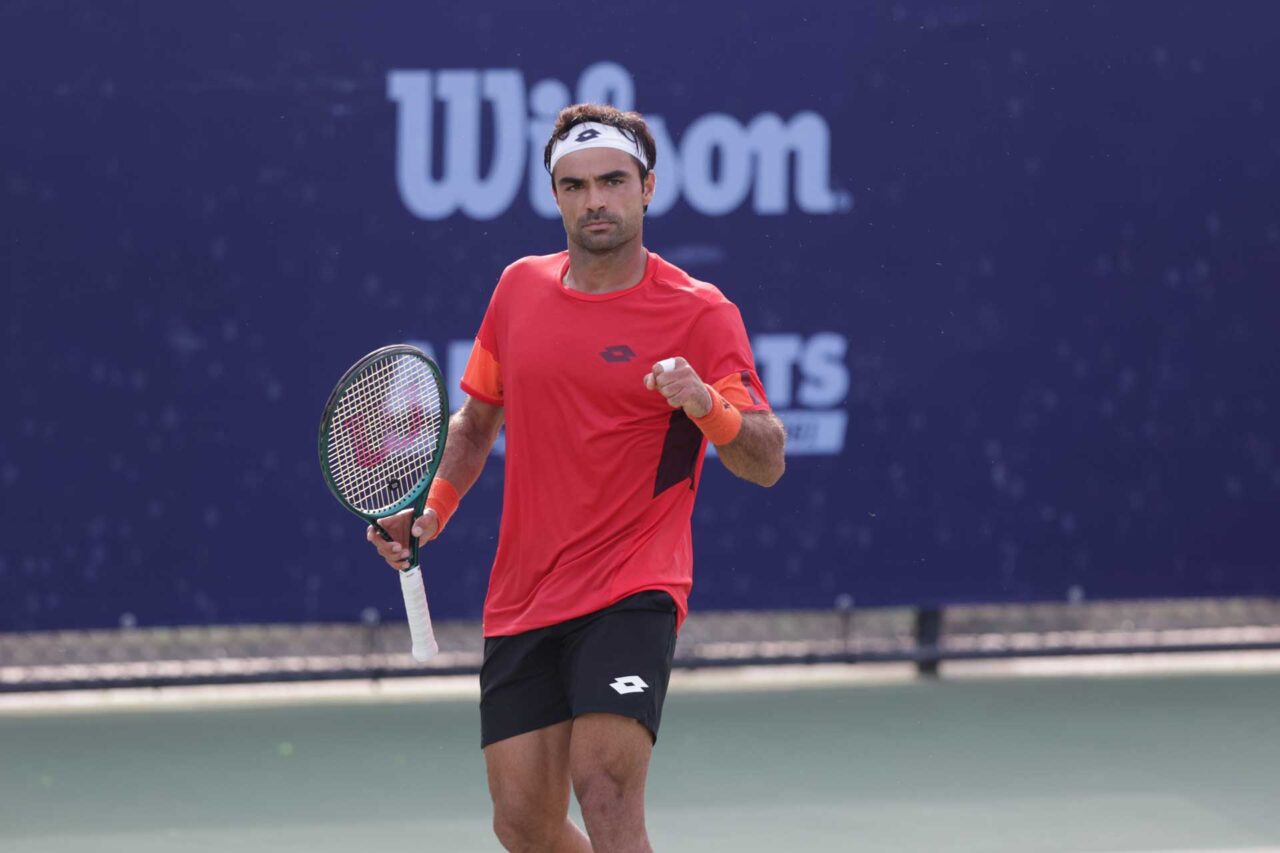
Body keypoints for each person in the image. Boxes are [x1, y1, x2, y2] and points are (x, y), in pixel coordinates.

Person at [366, 103, 786, 852]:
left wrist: (707, 404)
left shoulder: (701, 313)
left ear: (647, 187)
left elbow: (767, 459)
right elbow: (476, 423)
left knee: (605, 788)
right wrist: (429, 510)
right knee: (524, 823)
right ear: (556, 195)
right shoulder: (517, 290)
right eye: (576, 185)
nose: (596, 200)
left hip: (634, 584)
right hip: (524, 593)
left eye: (614, 181)